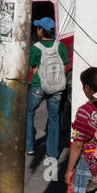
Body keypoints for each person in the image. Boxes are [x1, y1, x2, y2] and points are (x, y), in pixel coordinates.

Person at [25, 17, 69, 160]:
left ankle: (30, 146)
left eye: (38, 27)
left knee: (29, 112)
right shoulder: (60, 46)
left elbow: (34, 68)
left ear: (41, 31)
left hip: (39, 86)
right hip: (57, 87)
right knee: (54, 118)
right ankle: (52, 153)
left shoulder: (35, 48)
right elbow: (64, 67)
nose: (36, 30)